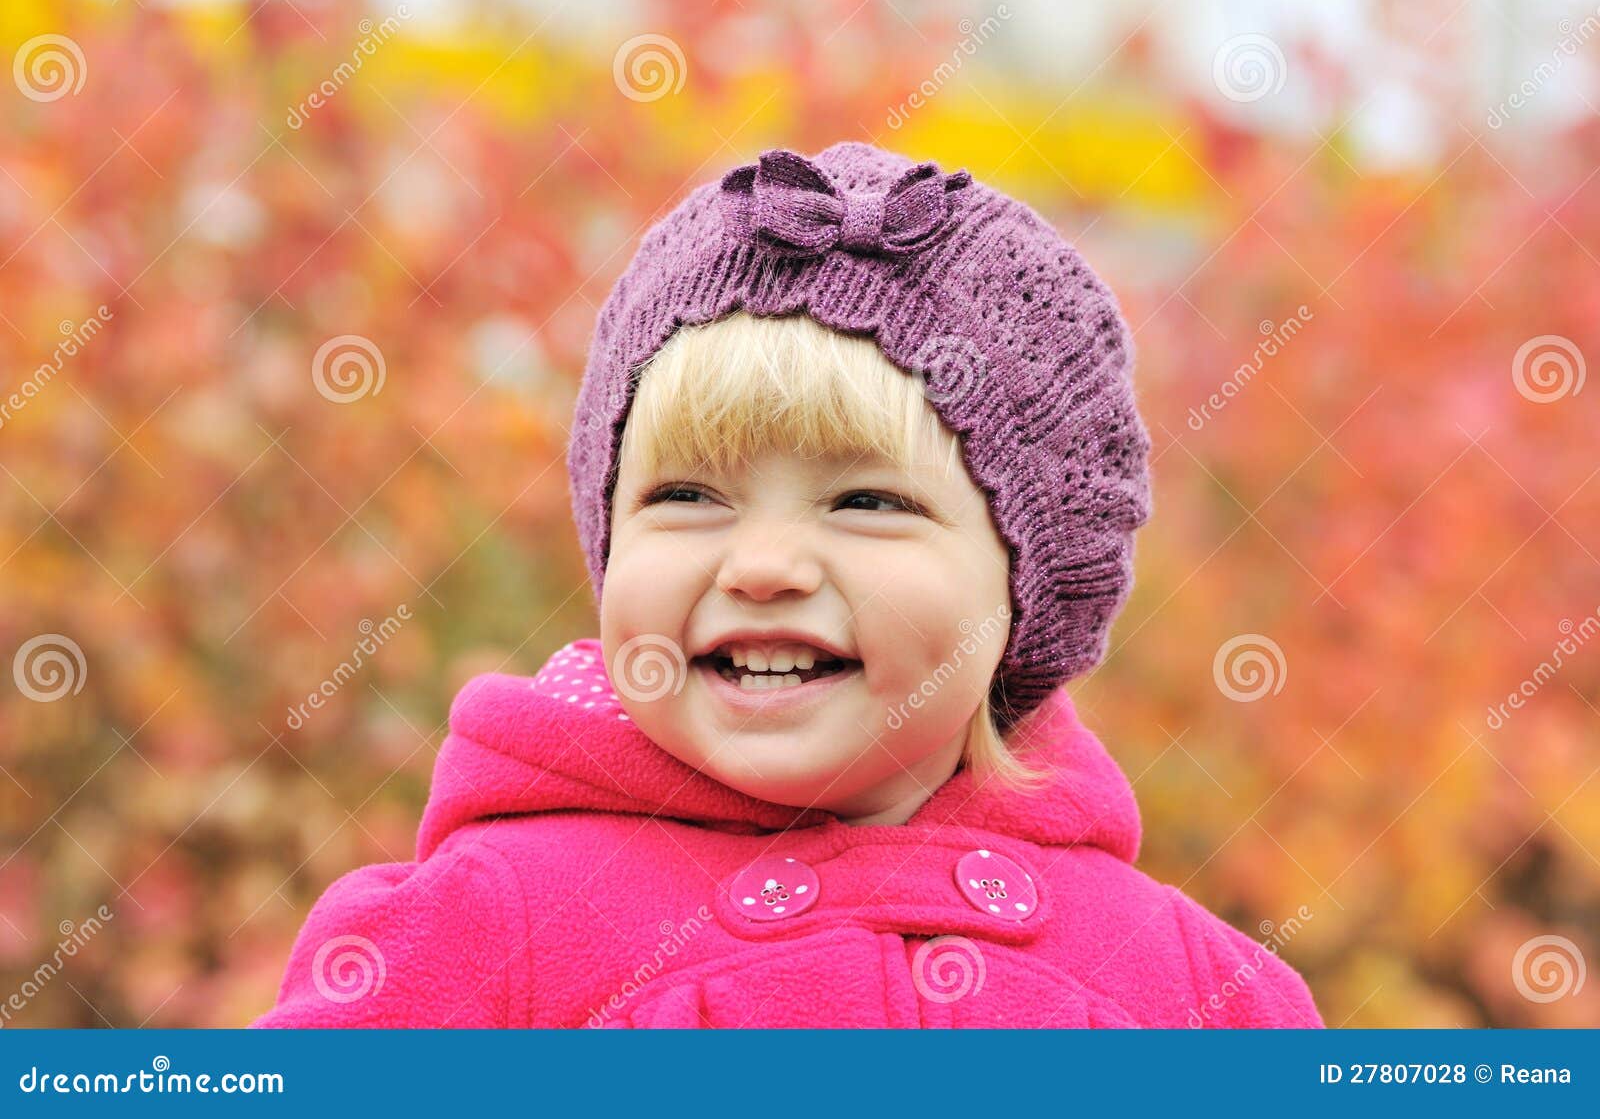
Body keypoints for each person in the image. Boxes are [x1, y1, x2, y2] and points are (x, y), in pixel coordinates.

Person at [253, 141, 1323, 1028]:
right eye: (685, 494)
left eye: (865, 502)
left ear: (1024, 587)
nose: (761, 565)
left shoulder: (1196, 992)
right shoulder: (485, 932)